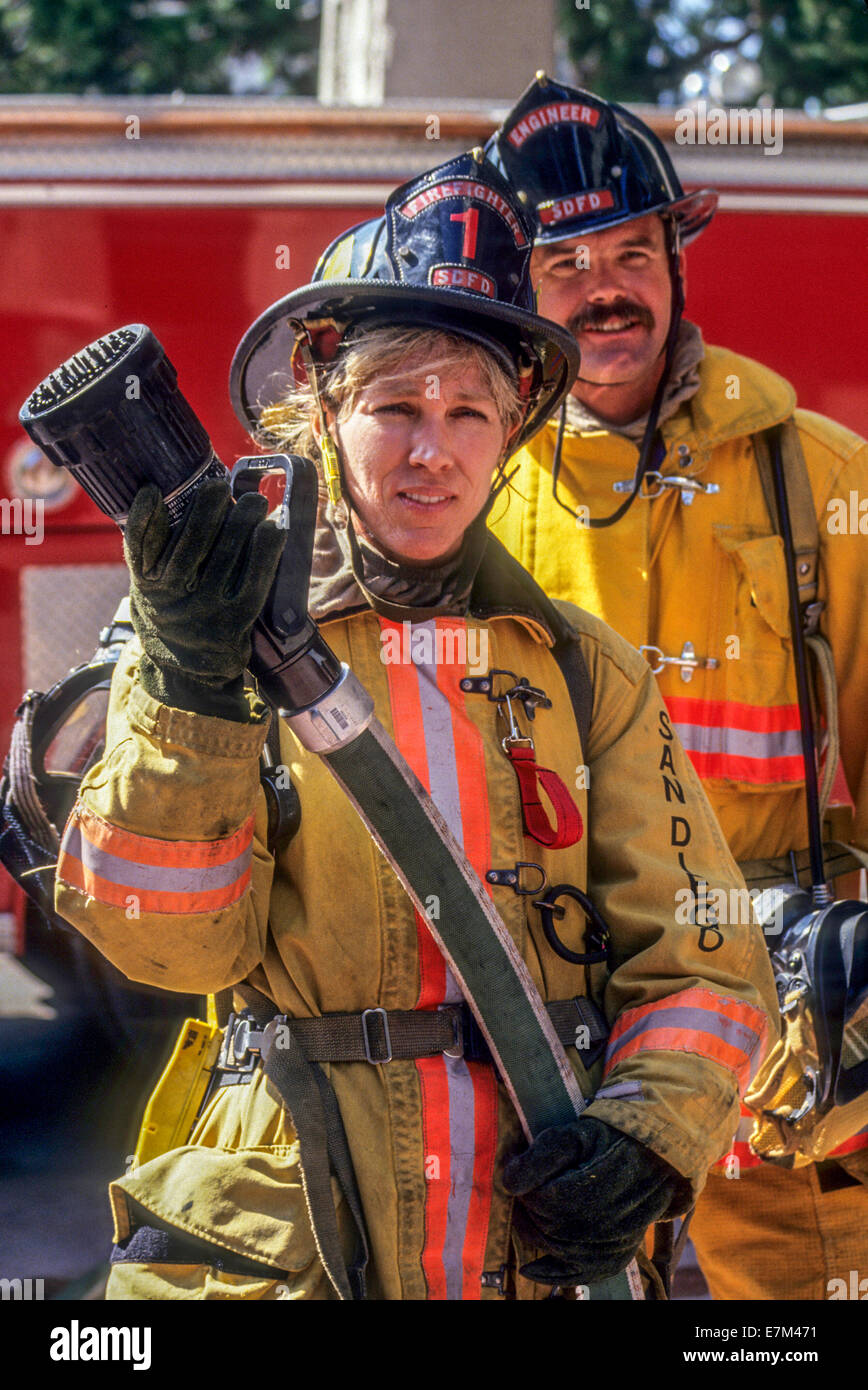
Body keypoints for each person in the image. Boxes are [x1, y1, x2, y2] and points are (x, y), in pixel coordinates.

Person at [53, 153, 776, 1301]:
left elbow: (706, 964)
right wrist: (192, 685)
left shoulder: (586, 673)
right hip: (284, 1241)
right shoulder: (209, 633)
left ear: (513, 429)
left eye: (467, 412)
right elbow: (166, 942)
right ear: (322, 410)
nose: (431, 450)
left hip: (527, 1240)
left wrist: (645, 1137)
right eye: (394, 407)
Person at [485, 73, 868, 1301]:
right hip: (555, 1034)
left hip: (786, 1036)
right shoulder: (465, 493)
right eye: (564, 263)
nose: (606, 287)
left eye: (633, 252)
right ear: (512, 288)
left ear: (675, 263)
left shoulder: (818, 484)